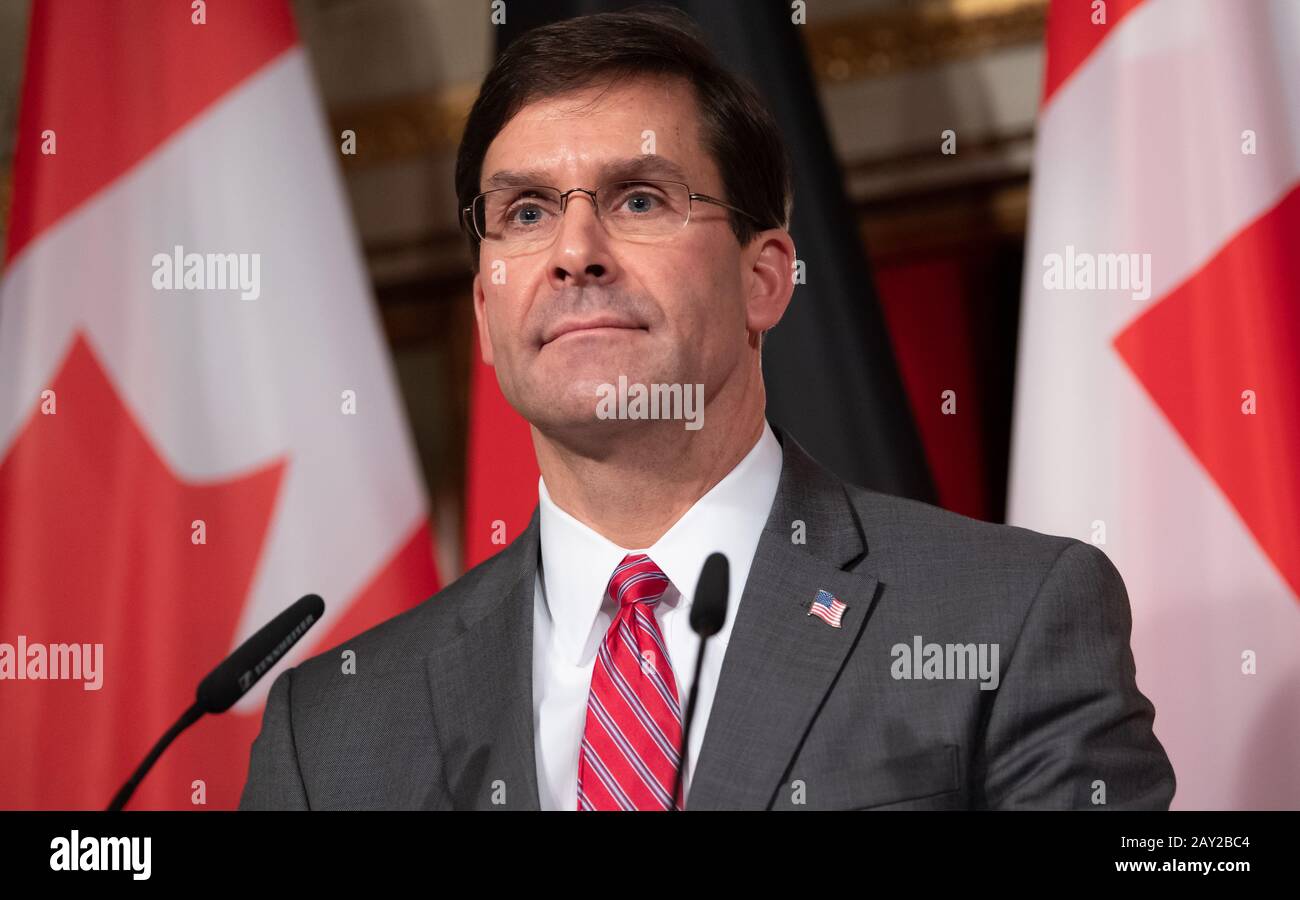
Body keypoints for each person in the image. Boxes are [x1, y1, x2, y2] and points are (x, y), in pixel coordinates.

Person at [240, 6, 1175, 811]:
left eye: (639, 199)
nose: (574, 252)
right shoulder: (332, 734)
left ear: (765, 278)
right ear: (485, 313)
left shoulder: (1005, 623)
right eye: (525, 213)